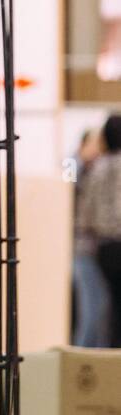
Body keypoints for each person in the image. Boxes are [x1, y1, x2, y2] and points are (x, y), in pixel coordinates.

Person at [79, 115, 121, 347]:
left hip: (104, 248)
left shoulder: (97, 168)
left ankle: (110, 358)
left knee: (110, 308)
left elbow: (87, 213)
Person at [72, 128, 113, 348]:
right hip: (81, 249)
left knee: (101, 307)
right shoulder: (72, 166)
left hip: (96, 250)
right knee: (91, 308)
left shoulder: (101, 169)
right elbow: (64, 185)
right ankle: (81, 354)